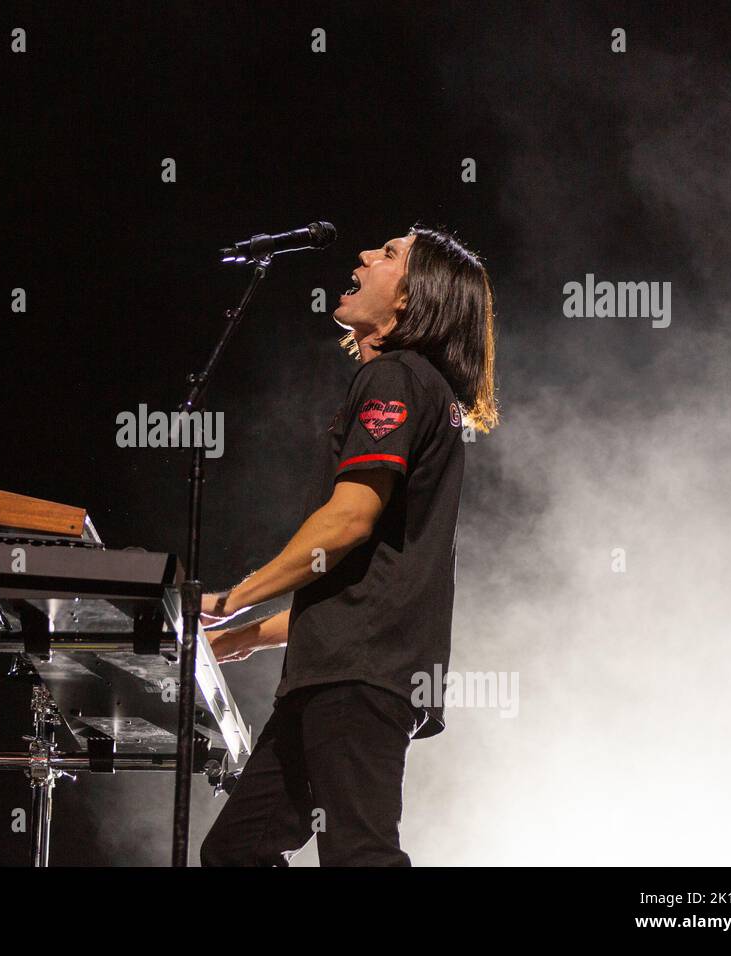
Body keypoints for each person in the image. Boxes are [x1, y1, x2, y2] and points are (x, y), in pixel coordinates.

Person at [198, 226, 499, 866]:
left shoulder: (394, 377)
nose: (363, 256)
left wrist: (233, 599)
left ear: (414, 299)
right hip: (343, 669)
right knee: (236, 852)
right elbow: (368, 580)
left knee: (359, 856)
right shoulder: (420, 386)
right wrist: (247, 636)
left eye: (388, 254)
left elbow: (349, 522)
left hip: (358, 676)